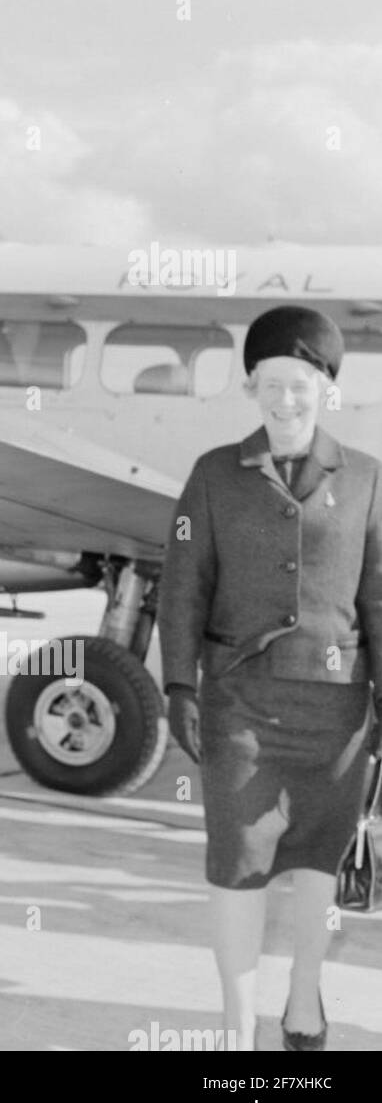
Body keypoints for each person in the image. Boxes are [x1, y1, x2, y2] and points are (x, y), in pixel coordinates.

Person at [159, 304, 382, 1052]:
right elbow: (183, 584)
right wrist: (179, 686)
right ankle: (235, 1025)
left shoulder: (369, 481)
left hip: (336, 711)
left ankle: (302, 1003)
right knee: (237, 860)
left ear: (327, 390)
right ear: (251, 386)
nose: (287, 401)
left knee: (320, 856)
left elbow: (378, 596)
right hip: (240, 705)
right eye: (272, 385)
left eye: (303, 385)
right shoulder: (213, 476)